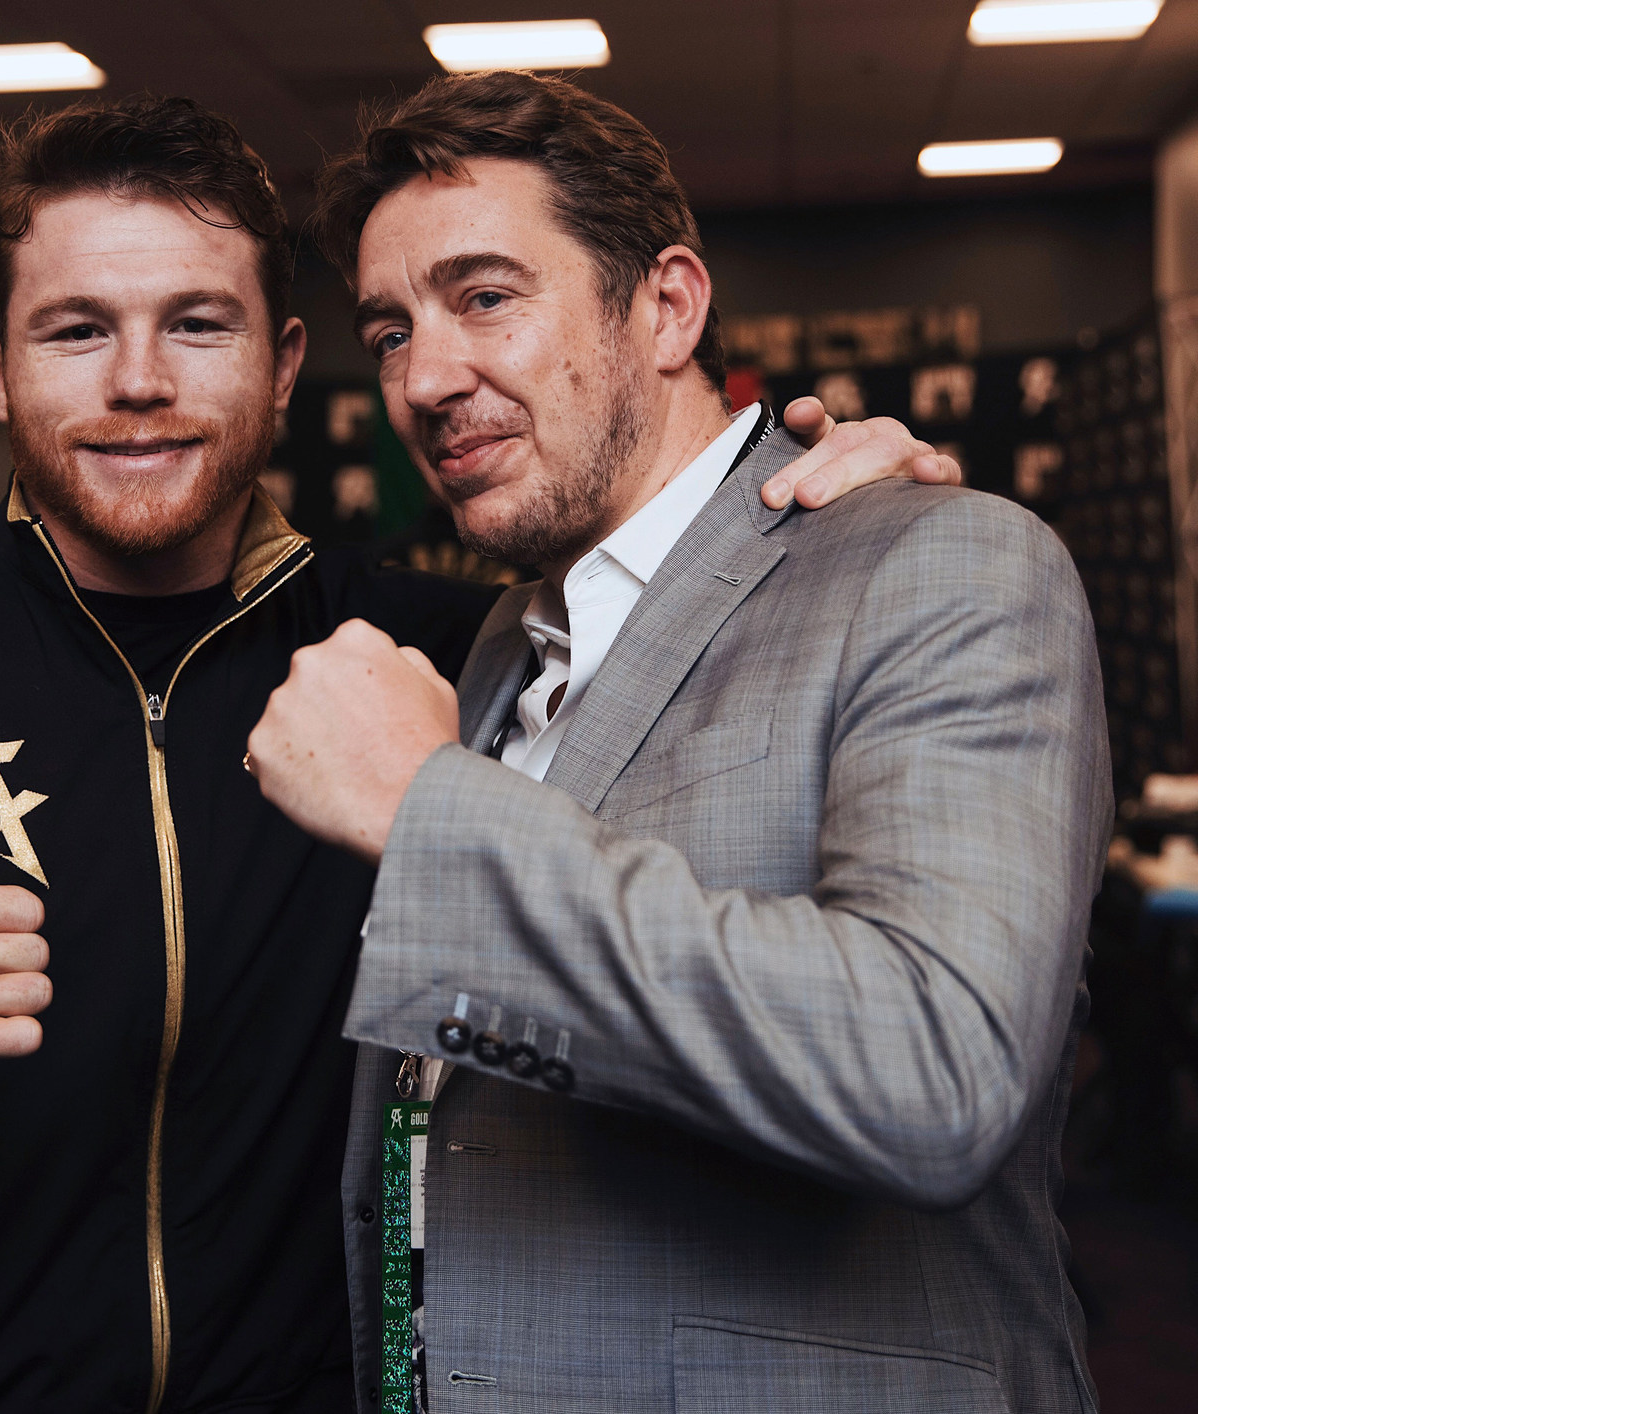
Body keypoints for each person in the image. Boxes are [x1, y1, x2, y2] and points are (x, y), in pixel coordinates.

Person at [0, 94, 955, 1414]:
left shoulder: (444, 659)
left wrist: (821, 520)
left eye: (197, 324)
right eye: (76, 330)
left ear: (285, 364)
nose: (137, 381)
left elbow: (689, 632)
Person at [247, 72, 1111, 1412]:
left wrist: (436, 814)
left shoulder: (942, 560)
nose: (422, 377)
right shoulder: (491, 647)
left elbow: (937, 1065)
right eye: (390, 326)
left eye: (484, 296)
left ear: (666, 306)